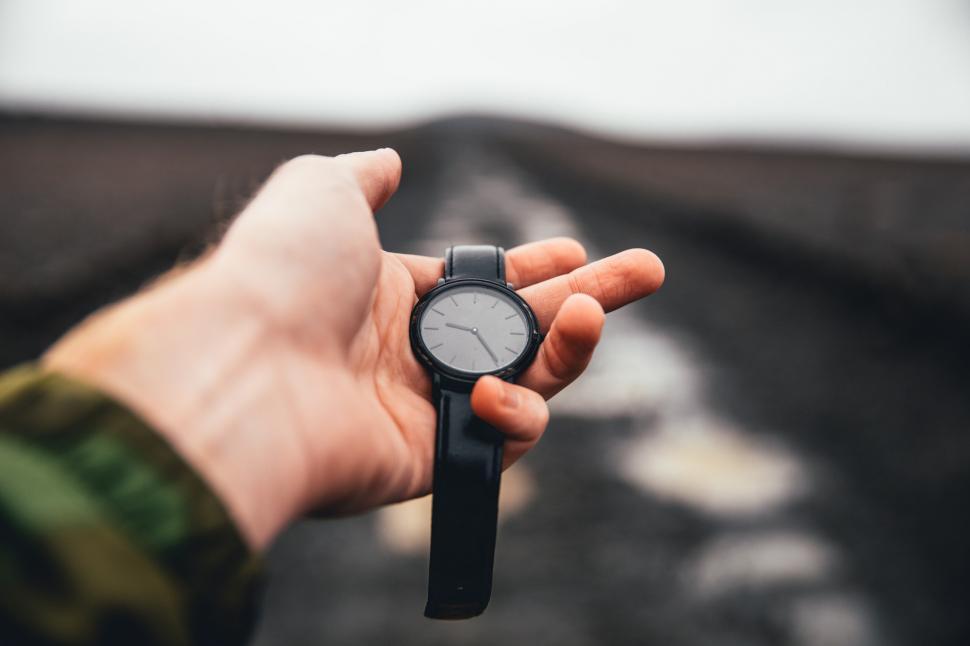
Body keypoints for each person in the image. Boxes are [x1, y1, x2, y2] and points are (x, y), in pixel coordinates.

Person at [0, 149, 664, 644]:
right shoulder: (434, 333)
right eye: (452, 322)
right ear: (421, 329)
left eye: (483, 324)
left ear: (515, 339)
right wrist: (254, 326)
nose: (461, 326)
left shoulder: (436, 322)